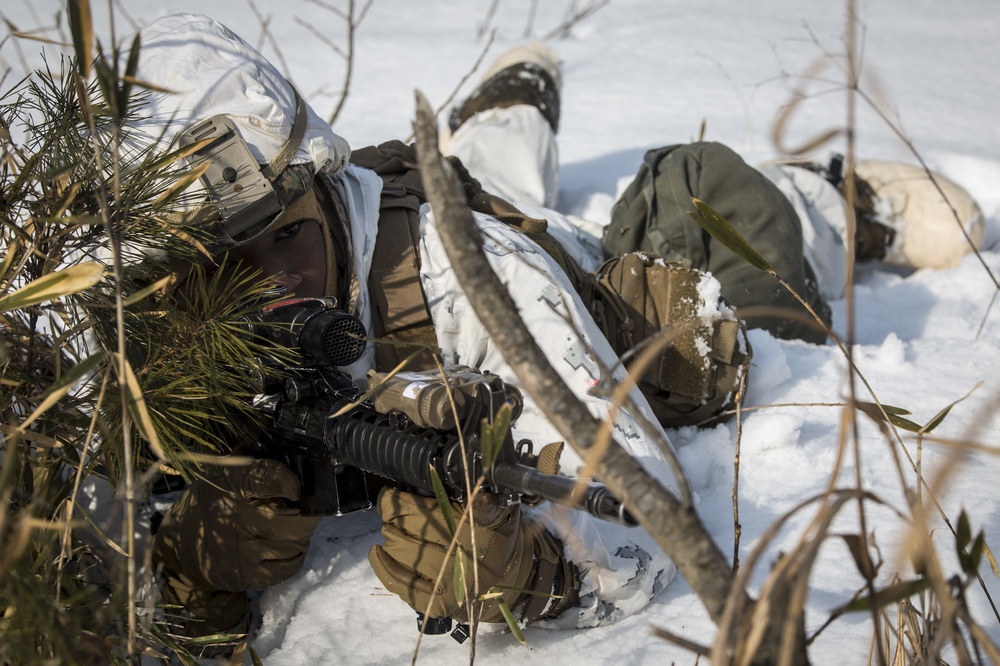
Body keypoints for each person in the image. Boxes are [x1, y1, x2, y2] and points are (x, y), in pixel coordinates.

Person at [135, 13, 984, 646]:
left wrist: (531, 569)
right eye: (226, 264)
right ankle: (507, 107)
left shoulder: (462, 273)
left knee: (726, 264)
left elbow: (646, 513)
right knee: (477, 173)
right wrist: (183, 560)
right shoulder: (144, 315)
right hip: (464, 202)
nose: (276, 283)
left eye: (289, 236)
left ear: (322, 191)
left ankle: (831, 199)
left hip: (571, 280)